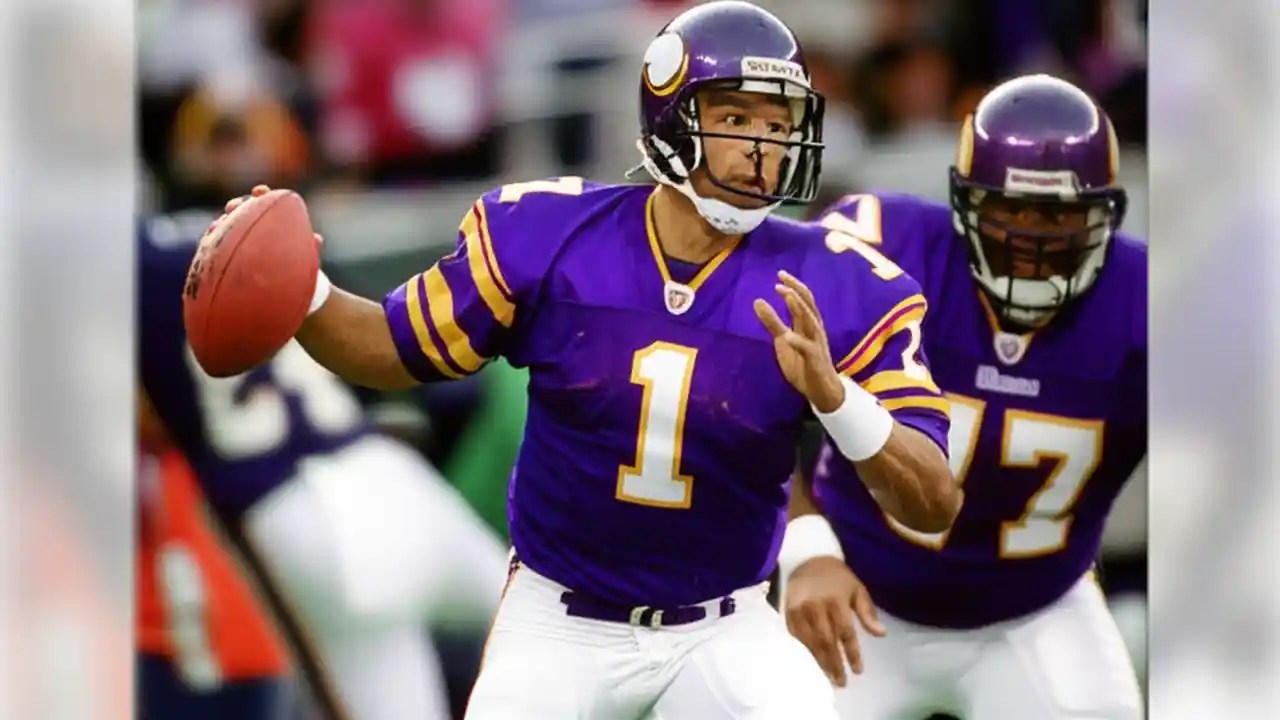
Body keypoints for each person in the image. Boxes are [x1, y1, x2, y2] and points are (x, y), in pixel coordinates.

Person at [212, 3, 960, 718]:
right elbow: (396, 350)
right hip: (559, 615)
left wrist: (837, 402)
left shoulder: (839, 282)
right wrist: (304, 295)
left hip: (723, 624)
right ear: (670, 117)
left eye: (778, 123)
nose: (763, 148)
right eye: (736, 119)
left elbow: (932, 501)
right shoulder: (551, 235)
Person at [780, 74, 1146, 720]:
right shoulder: (889, 248)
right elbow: (744, 402)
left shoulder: (1146, 300)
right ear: (966, 203)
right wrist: (807, 548)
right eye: (1012, 211)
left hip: (1037, 610)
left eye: (1059, 217)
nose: (1033, 243)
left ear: (1104, 215)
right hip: (859, 595)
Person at [139, 209, 509, 720]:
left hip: (303, 522)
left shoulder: (113, 273)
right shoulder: (231, 220)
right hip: (386, 472)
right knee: (581, 639)